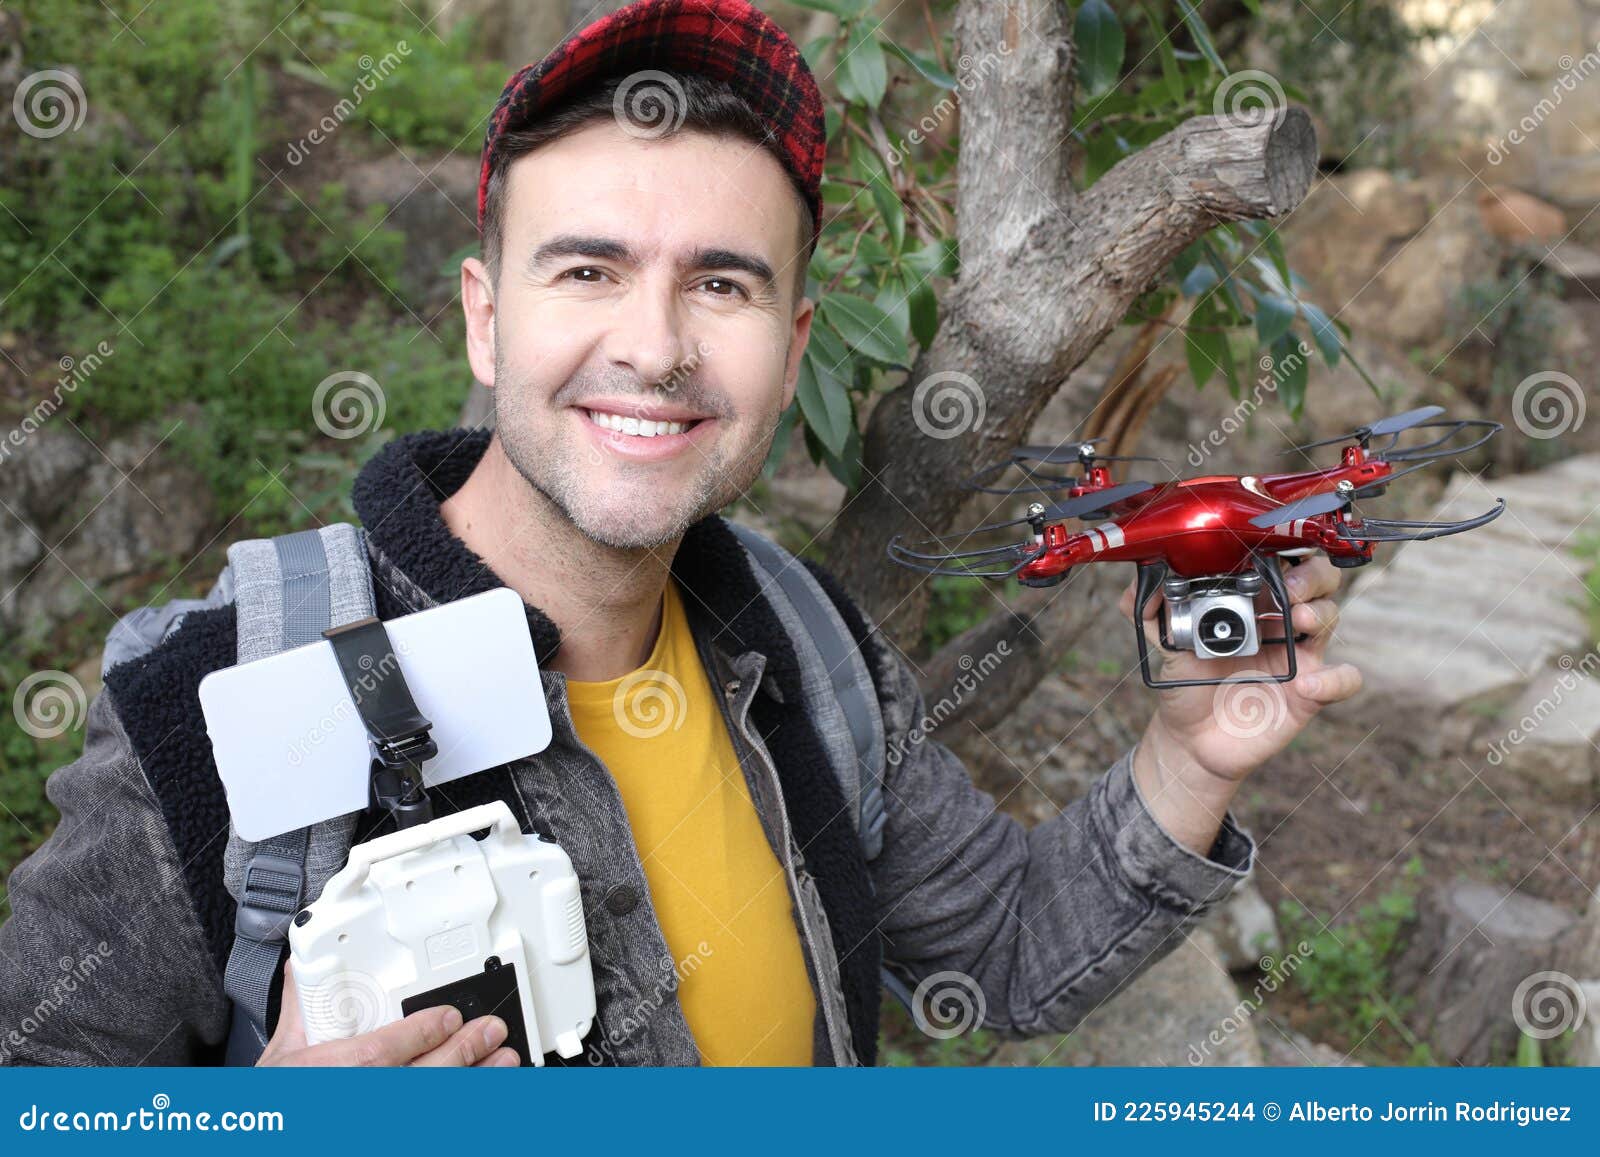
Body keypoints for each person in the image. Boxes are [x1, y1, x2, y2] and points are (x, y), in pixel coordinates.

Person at [0, 0, 1360, 1068]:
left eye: (722, 284)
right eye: (589, 268)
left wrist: (1187, 760)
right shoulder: (221, 706)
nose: (653, 348)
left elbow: (1003, 948)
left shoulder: (806, 647)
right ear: (485, 317)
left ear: (795, 343)